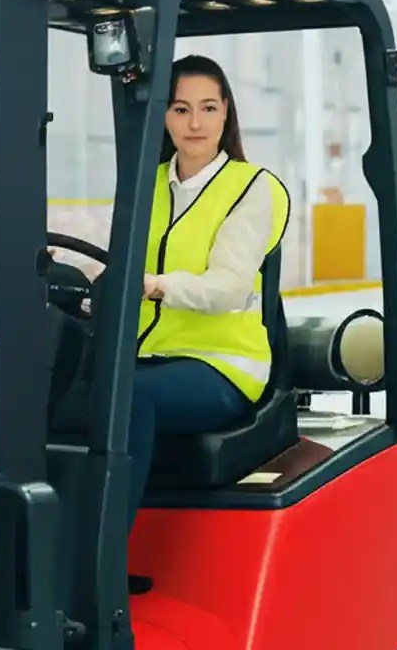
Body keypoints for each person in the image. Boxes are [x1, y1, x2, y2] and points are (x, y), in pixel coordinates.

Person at [128, 54, 291, 531]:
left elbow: (227, 287)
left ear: (226, 113)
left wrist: (155, 287)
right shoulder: (145, 184)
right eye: (180, 109)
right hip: (148, 356)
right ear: (163, 115)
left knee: (125, 400)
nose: (195, 122)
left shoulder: (252, 188)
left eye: (208, 108)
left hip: (222, 365)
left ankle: (98, 569)